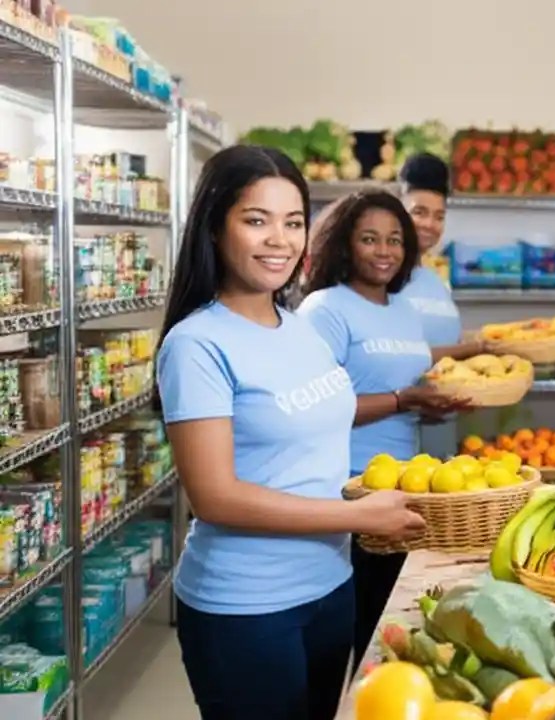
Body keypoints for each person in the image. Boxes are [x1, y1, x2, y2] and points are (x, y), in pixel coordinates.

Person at [156, 145, 425, 720]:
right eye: (256, 220)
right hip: (246, 606)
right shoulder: (197, 344)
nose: (279, 239)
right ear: (214, 227)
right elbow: (215, 496)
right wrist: (359, 516)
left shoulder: (301, 329)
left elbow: (314, 453)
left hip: (329, 588)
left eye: (293, 222)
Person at [297, 189, 469, 663]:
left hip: (402, 486)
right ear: (344, 244)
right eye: (370, 239)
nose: (385, 251)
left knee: (386, 629)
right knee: (348, 633)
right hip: (345, 491)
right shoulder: (324, 309)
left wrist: (428, 405)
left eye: (394, 240)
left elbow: (402, 386)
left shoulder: (403, 310)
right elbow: (310, 408)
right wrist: (401, 400)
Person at [395, 152, 483, 460]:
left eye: (439, 216)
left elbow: (446, 348)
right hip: (393, 440)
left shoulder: (436, 281)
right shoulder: (383, 279)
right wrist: (480, 348)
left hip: (440, 433)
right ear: (398, 207)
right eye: (419, 212)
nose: (429, 224)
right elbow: (388, 356)